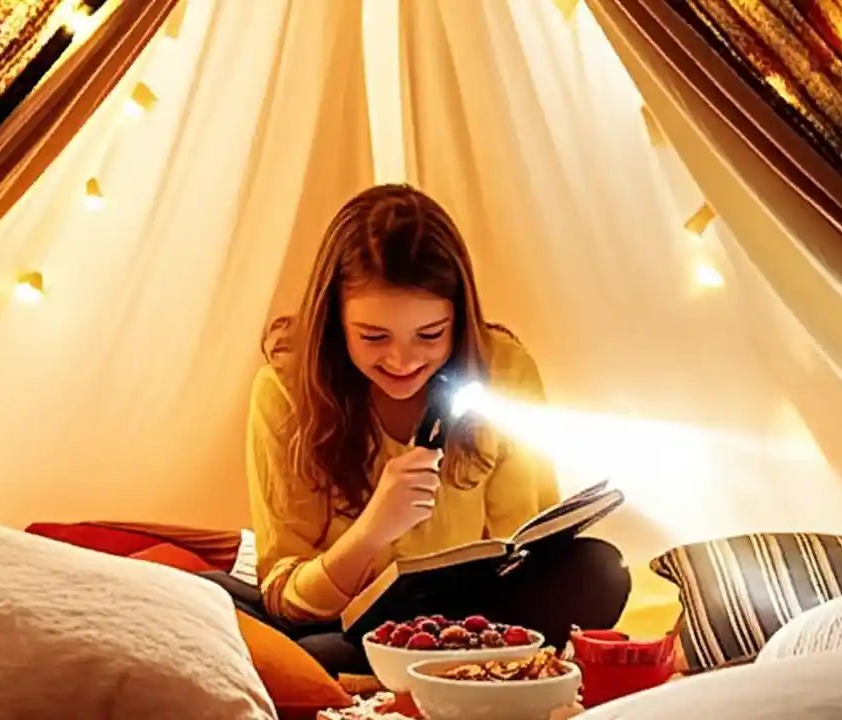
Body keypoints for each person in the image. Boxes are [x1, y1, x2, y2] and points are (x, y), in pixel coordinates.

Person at [200, 184, 631, 675]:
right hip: (342, 624)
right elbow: (287, 597)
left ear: (458, 320)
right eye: (373, 336)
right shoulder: (285, 392)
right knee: (210, 603)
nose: (402, 360)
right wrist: (373, 529)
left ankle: (432, 665)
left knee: (597, 569)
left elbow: (526, 545)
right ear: (335, 322)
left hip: (473, 621)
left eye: (430, 335)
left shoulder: (502, 369)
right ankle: (412, 667)